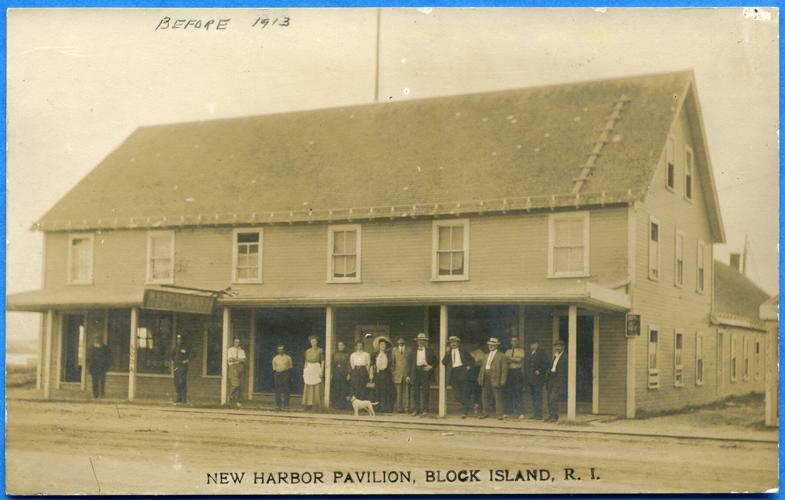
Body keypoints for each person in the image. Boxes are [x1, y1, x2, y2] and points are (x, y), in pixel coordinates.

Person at [441, 336, 475, 418]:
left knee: (464, 392)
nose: (453, 344)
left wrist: (469, 366)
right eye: (451, 342)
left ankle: (465, 412)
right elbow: (444, 362)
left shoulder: (463, 350)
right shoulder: (449, 352)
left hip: (462, 371)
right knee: (457, 395)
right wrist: (447, 353)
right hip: (453, 373)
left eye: (454, 342)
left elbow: (472, 360)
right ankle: (471, 405)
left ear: (458, 343)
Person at [478, 337, 509, 420]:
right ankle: (485, 412)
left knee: (497, 396)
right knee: (485, 396)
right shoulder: (485, 355)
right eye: (489, 345)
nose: (490, 346)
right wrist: (480, 378)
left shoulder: (502, 356)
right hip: (486, 377)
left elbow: (504, 369)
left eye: (492, 345)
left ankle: (499, 414)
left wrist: (503, 380)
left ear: (496, 346)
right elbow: (482, 368)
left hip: (496, 378)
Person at [410, 333, 437, 417]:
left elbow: (436, 361)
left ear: (425, 341)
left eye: (422, 340)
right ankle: (416, 409)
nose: (420, 342)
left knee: (425, 391)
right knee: (415, 392)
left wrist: (431, 367)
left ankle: (425, 409)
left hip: (425, 371)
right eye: (419, 340)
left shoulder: (430, 350)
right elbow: (409, 364)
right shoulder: (413, 351)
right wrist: (408, 375)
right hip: (416, 372)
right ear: (417, 341)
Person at [371, 337, 396, 413]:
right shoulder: (375, 354)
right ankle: (377, 408)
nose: (382, 346)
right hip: (377, 375)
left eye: (384, 345)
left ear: (386, 346)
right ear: (379, 346)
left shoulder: (388, 355)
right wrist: (371, 373)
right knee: (377, 391)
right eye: (381, 344)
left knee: (386, 391)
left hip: (386, 374)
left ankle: (385, 408)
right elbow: (372, 365)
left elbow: (391, 364)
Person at [525, 341, 548, 420]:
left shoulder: (542, 353)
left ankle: (539, 415)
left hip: (538, 379)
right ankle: (535, 414)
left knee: (538, 396)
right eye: (531, 344)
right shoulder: (529, 353)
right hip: (531, 378)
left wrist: (540, 370)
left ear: (538, 344)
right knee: (533, 396)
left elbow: (546, 364)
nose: (533, 345)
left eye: (534, 344)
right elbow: (526, 364)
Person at [546, 339, 568, 422]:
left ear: (563, 347)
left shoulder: (565, 357)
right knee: (549, 397)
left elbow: (564, 371)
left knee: (553, 398)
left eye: (559, 346)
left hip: (558, 379)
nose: (558, 348)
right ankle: (551, 415)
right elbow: (552, 367)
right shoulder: (555, 356)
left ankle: (555, 417)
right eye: (556, 346)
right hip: (551, 378)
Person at [504, 336, 526, 418]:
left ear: (518, 342)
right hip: (509, 372)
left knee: (518, 391)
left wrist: (510, 359)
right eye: (512, 341)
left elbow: (519, 360)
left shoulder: (521, 351)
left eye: (515, 341)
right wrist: (514, 359)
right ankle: (508, 411)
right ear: (510, 342)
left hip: (517, 372)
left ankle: (520, 412)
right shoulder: (507, 351)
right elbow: (505, 360)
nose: (514, 342)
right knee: (508, 391)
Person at [302, 335, 324, 411]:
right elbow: (306, 361)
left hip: (316, 367)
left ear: (317, 342)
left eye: (315, 341)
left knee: (316, 386)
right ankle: (308, 404)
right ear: (310, 342)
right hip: (309, 368)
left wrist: (322, 370)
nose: (313, 343)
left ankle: (316, 404)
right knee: (308, 385)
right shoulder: (307, 351)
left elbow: (322, 361)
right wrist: (304, 370)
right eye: (312, 341)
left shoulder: (320, 350)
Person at [392, 337, 412, 413]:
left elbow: (411, 364)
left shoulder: (409, 350)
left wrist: (409, 375)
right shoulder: (394, 351)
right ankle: (399, 408)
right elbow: (393, 364)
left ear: (404, 341)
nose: (400, 342)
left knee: (406, 392)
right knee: (398, 392)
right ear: (397, 342)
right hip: (397, 375)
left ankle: (406, 408)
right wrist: (394, 373)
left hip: (406, 375)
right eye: (399, 340)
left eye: (402, 340)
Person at [171, 334, 191, 405]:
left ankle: (184, 400)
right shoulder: (175, 348)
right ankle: (178, 398)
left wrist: (187, 360)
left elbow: (192, 354)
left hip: (183, 367)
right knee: (176, 383)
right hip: (176, 367)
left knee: (182, 382)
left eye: (180, 339)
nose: (179, 340)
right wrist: (174, 363)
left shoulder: (186, 347)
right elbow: (172, 356)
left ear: (183, 340)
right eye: (178, 339)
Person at [227, 337, 247, 408]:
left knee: (240, 385)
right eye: (236, 342)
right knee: (235, 384)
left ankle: (238, 401)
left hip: (240, 367)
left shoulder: (242, 351)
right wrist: (239, 359)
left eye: (238, 342)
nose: (237, 343)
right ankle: (230, 397)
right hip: (233, 367)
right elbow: (229, 359)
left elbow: (244, 360)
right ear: (233, 342)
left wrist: (235, 359)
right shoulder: (230, 350)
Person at [331, 341, 351, 410]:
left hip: (343, 373)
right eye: (339, 345)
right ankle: (335, 405)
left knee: (343, 389)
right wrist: (331, 373)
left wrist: (348, 373)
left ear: (344, 346)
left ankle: (342, 405)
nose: (340, 346)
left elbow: (348, 365)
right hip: (336, 373)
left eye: (342, 345)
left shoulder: (347, 355)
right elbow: (332, 364)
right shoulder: (334, 354)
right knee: (336, 389)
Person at [272, 345, 293, 410]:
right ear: (277, 350)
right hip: (278, 374)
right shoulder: (275, 358)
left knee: (286, 389)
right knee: (278, 389)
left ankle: (286, 405)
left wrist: (289, 376)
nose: (281, 350)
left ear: (284, 350)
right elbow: (274, 368)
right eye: (279, 349)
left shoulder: (288, 358)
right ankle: (278, 405)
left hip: (285, 373)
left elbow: (290, 367)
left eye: (282, 349)